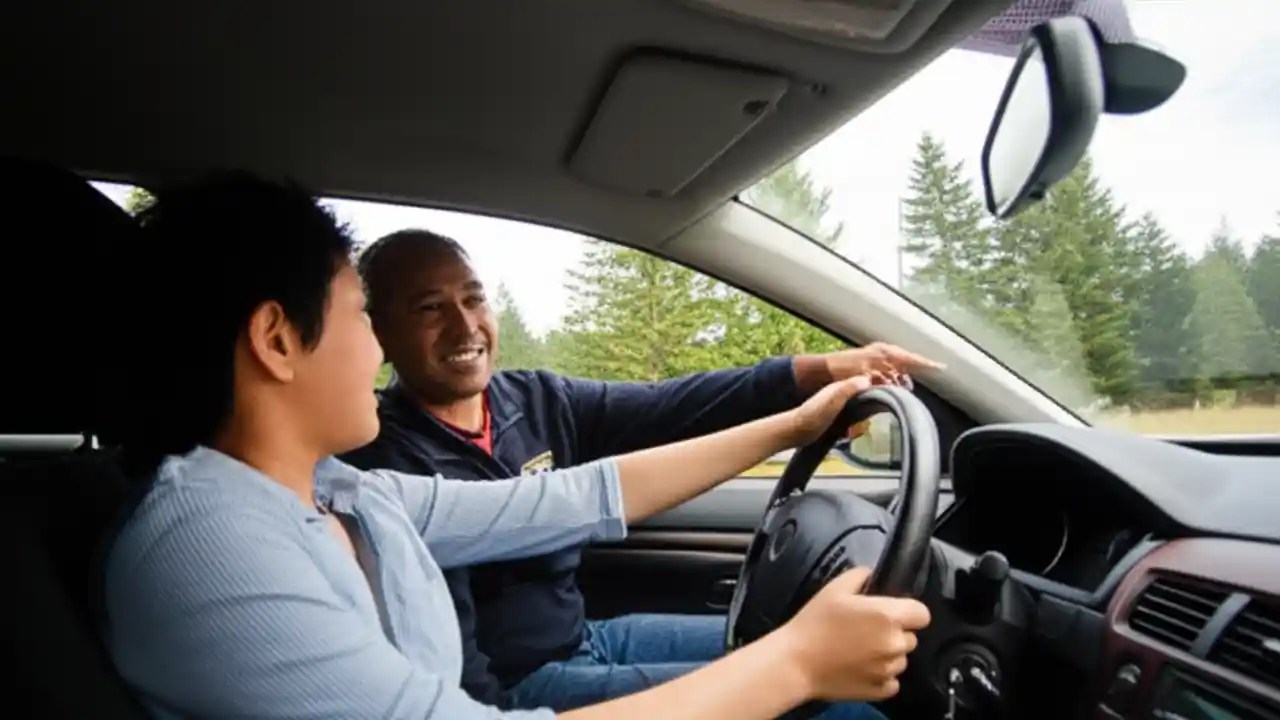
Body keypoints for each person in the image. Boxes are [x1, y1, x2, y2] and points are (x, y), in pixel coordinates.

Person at [103, 173, 931, 720]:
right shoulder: (208, 545)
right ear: (277, 341)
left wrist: (796, 422)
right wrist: (796, 663)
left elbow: (581, 496)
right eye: (363, 314)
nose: (375, 349)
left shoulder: (345, 493)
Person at [345, 229, 941, 710]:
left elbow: (672, 405)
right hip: (518, 689)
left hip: (585, 637)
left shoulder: (533, 398)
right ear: (380, 334)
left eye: (474, 298)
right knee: (830, 696)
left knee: (819, 637)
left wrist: (822, 371)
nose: (464, 324)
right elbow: (461, 683)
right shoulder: (384, 464)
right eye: (430, 308)